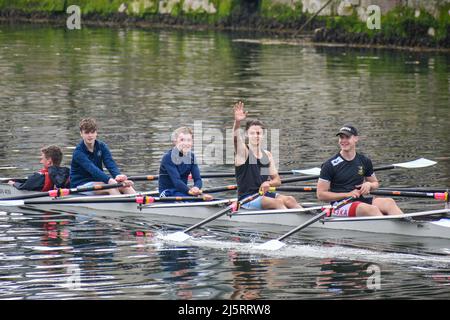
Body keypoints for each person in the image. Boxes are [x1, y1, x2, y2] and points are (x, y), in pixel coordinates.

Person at [316, 125, 403, 217]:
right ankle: (389, 227)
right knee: (370, 209)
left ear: (356, 139)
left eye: (347, 137)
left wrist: (369, 185)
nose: (343, 141)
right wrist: (347, 194)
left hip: (359, 201)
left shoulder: (364, 161)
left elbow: (375, 183)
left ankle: (406, 226)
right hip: (340, 205)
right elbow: (321, 195)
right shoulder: (329, 165)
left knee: (389, 202)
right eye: (341, 137)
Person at [233, 100, 301, 210]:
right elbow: (236, 140)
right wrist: (237, 123)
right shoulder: (244, 153)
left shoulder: (267, 155)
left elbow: (277, 180)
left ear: (263, 135)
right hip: (247, 199)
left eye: (259, 133)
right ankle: (289, 221)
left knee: (290, 199)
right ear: (246, 134)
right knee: (277, 203)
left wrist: (268, 183)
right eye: (252, 133)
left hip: (264, 196)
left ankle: (304, 220)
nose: (256, 136)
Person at [70, 118, 135, 195]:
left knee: (126, 186)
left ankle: (139, 204)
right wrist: (109, 180)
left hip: (98, 182)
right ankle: (118, 205)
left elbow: (110, 164)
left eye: (92, 132)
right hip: (80, 185)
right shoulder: (78, 152)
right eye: (86, 133)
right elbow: (92, 169)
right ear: (81, 134)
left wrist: (118, 176)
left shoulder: (102, 146)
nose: (90, 135)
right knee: (111, 187)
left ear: (96, 133)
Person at [158, 126, 213, 200]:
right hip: (167, 192)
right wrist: (191, 192)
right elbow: (177, 181)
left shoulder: (192, 157)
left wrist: (196, 188)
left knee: (197, 199)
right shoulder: (168, 157)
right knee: (193, 200)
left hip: (183, 192)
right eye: (182, 140)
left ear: (192, 142)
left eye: (189, 140)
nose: (186, 143)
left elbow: (198, 179)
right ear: (175, 141)